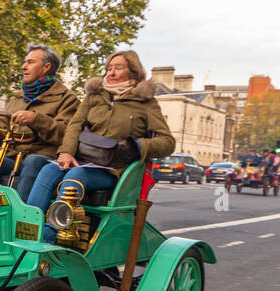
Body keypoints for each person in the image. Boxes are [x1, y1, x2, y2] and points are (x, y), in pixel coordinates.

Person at [26, 49, 175, 242]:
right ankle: (28, 230)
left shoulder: (145, 103)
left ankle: (48, 237)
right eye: (108, 68)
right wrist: (66, 152)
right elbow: (75, 125)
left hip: (112, 168)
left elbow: (167, 142)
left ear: (133, 72)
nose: (110, 73)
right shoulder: (94, 96)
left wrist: (137, 145)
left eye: (118, 68)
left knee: (75, 176)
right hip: (82, 158)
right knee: (48, 170)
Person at [0, 44, 79, 202]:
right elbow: (2, 138)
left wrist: (36, 119)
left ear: (46, 67)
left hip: (45, 160)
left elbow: (66, 134)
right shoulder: (17, 98)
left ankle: (21, 215)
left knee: (33, 161)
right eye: (25, 62)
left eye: (30, 62)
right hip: (14, 159)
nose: (23, 67)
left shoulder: (67, 98)